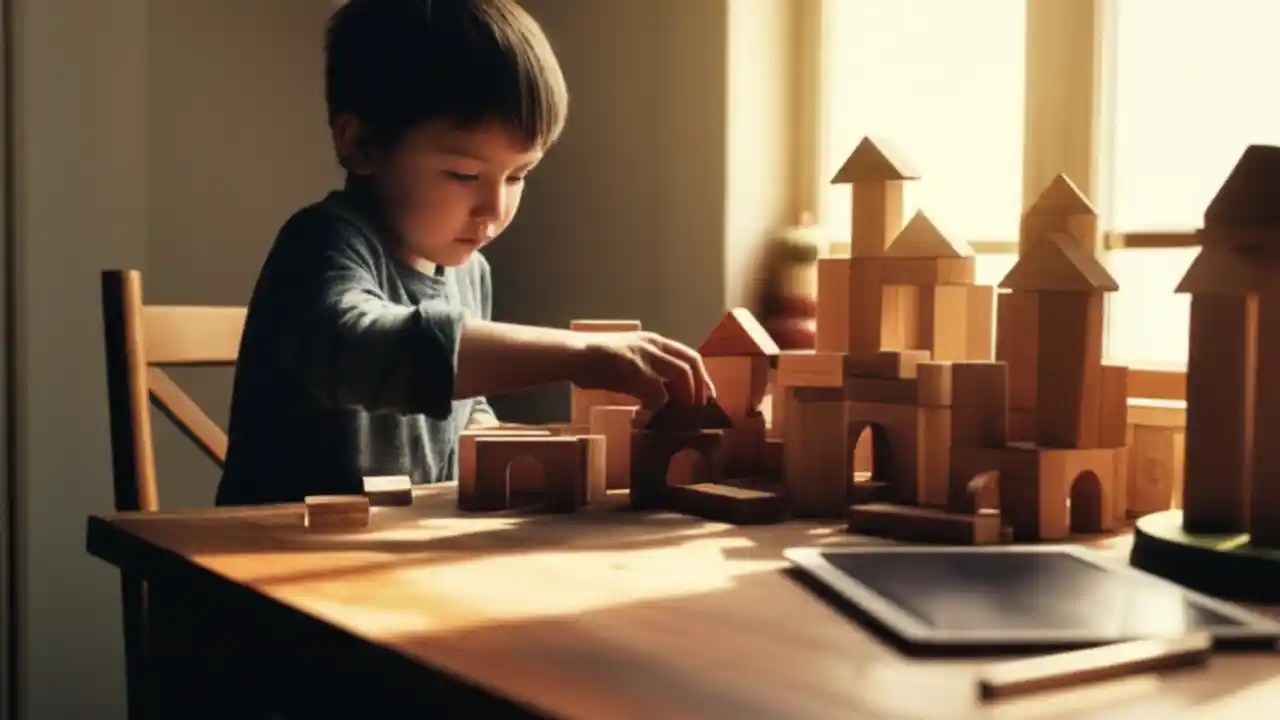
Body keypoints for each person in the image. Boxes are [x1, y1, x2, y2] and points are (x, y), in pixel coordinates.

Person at [216, 0, 714, 505]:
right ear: (361, 143)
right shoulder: (321, 243)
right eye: (464, 175)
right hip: (267, 560)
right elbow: (361, 348)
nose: (494, 209)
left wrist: (542, 452)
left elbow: (461, 414)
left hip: (388, 559)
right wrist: (578, 354)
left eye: (518, 175)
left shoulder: (471, 272)